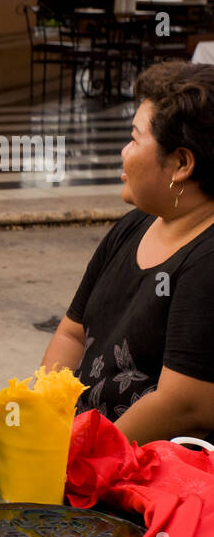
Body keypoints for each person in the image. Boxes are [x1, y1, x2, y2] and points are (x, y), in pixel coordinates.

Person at [41, 62, 214, 443]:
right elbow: (73, 334)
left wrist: (81, 460)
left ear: (182, 163)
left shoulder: (206, 260)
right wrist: (43, 419)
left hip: (140, 476)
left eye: (135, 139)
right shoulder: (133, 226)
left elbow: (183, 403)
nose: (123, 151)